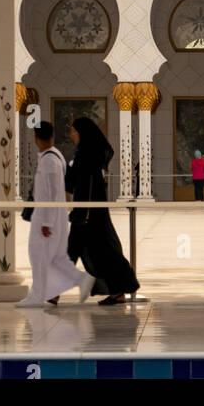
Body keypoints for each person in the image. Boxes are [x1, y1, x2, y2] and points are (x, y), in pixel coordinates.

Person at [16, 121, 94, 309]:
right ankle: (83, 279)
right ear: (52, 136)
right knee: (57, 258)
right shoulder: (56, 156)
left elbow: (50, 193)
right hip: (54, 216)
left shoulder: (49, 161)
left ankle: (37, 296)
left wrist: (47, 222)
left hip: (47, 217)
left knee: (38, 255)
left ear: (36, 138)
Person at [67, 116, 139, 305]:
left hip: (87, 213)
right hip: (92, 211)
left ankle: (53, 293)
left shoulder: (85, 156)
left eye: (74, 131)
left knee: (80, 251)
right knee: (102, 251)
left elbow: (76, 183)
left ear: (82, 133)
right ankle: (117, 290)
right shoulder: (90, 153)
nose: (71, 134)